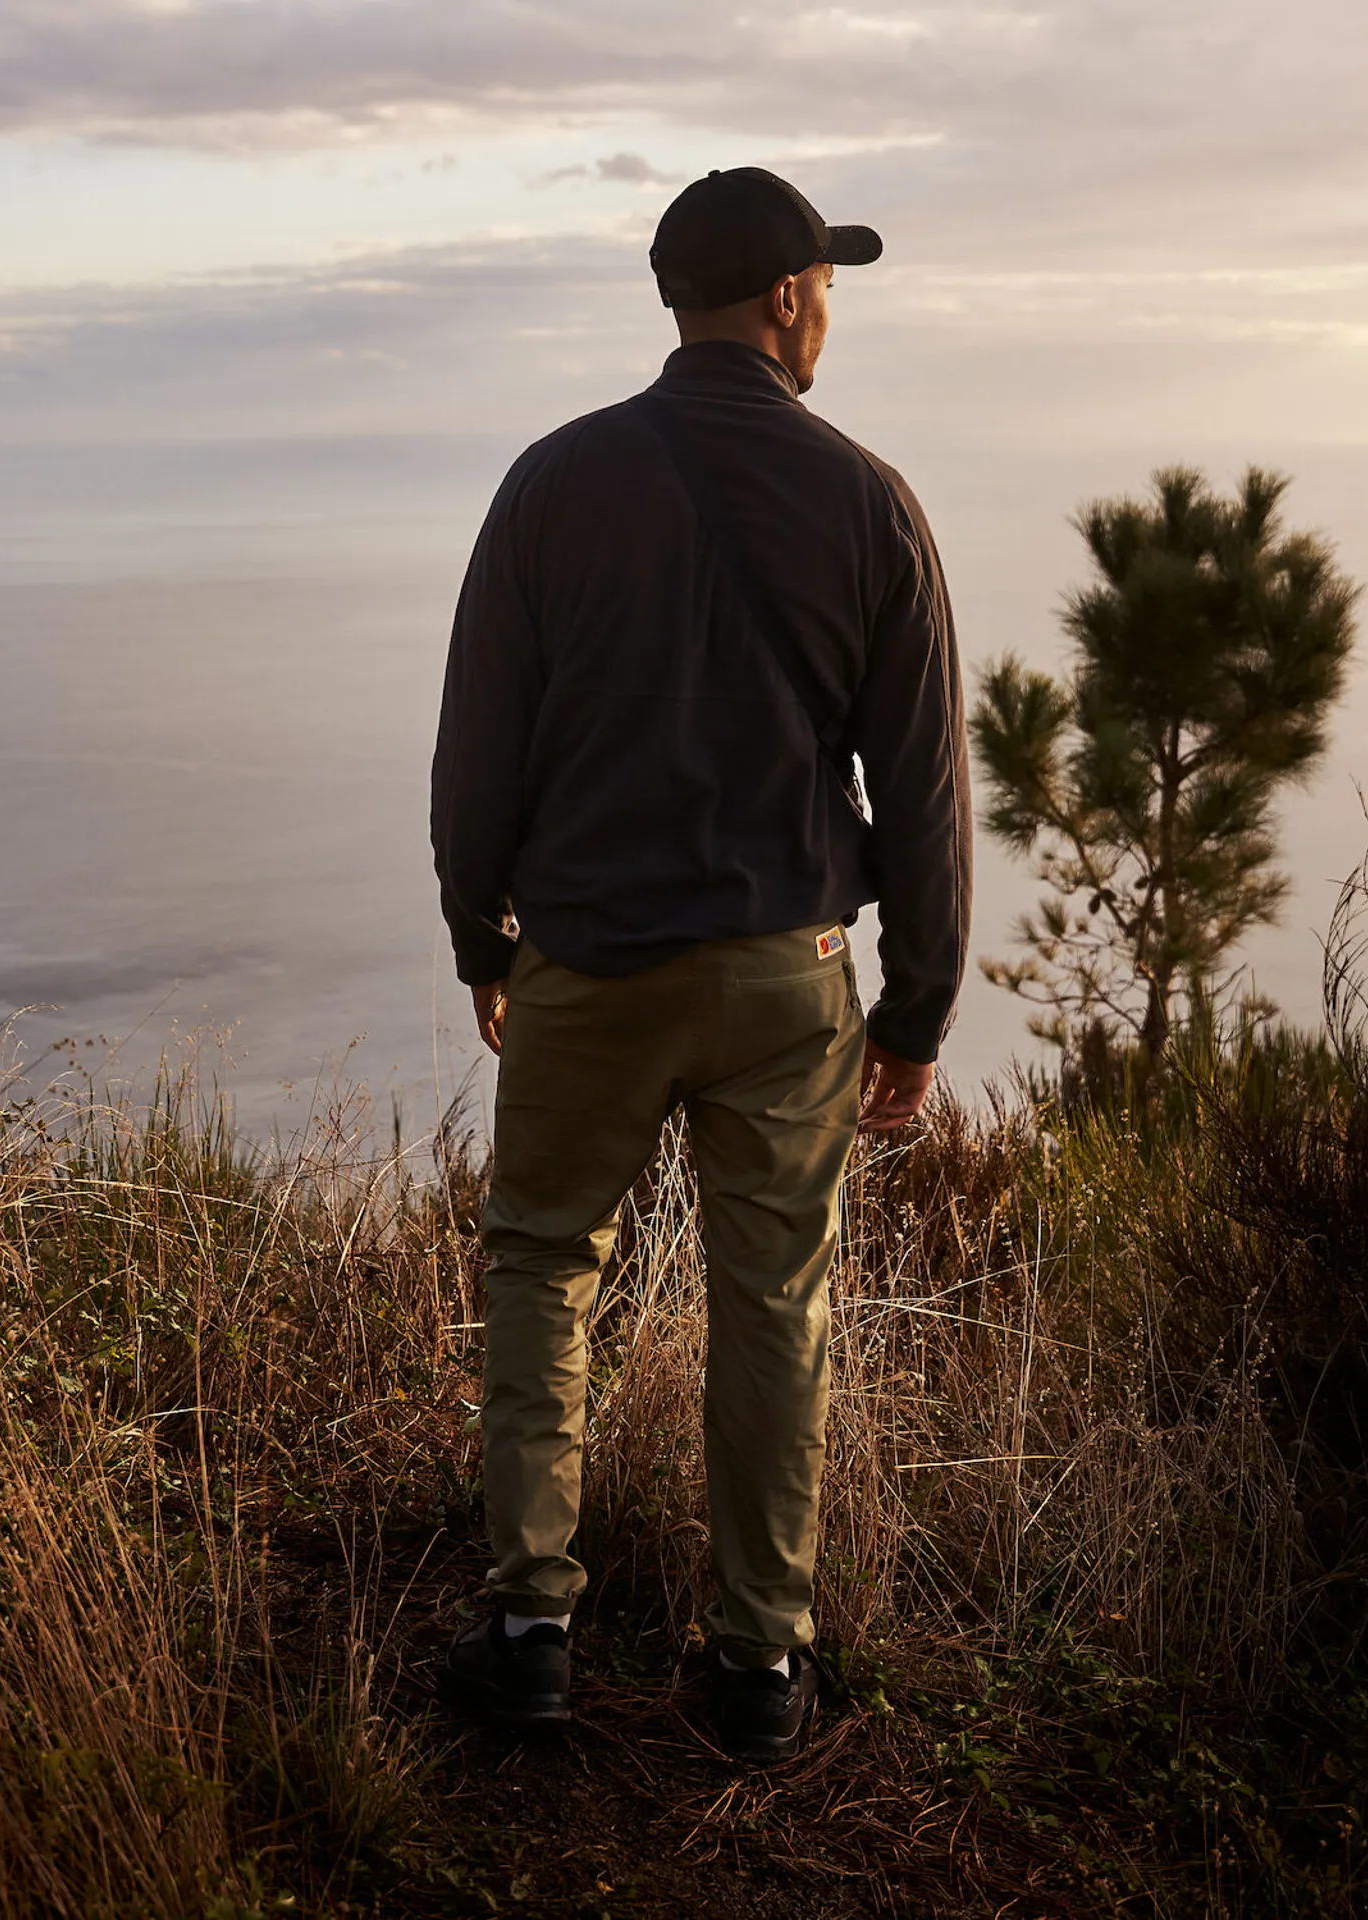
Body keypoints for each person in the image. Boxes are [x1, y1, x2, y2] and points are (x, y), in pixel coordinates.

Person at [429, 167, 970, 1761]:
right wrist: (917, 1011)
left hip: (587, 966)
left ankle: (531, 1626)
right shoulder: (872, 501)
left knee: (541, 1261)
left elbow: (479, 758)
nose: (828, 314)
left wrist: (485, 938)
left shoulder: (549, 485)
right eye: (826, 287)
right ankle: (757, 1665)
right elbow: (925, 787)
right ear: (792, 299)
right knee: (771, 1304)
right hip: (781, 981)